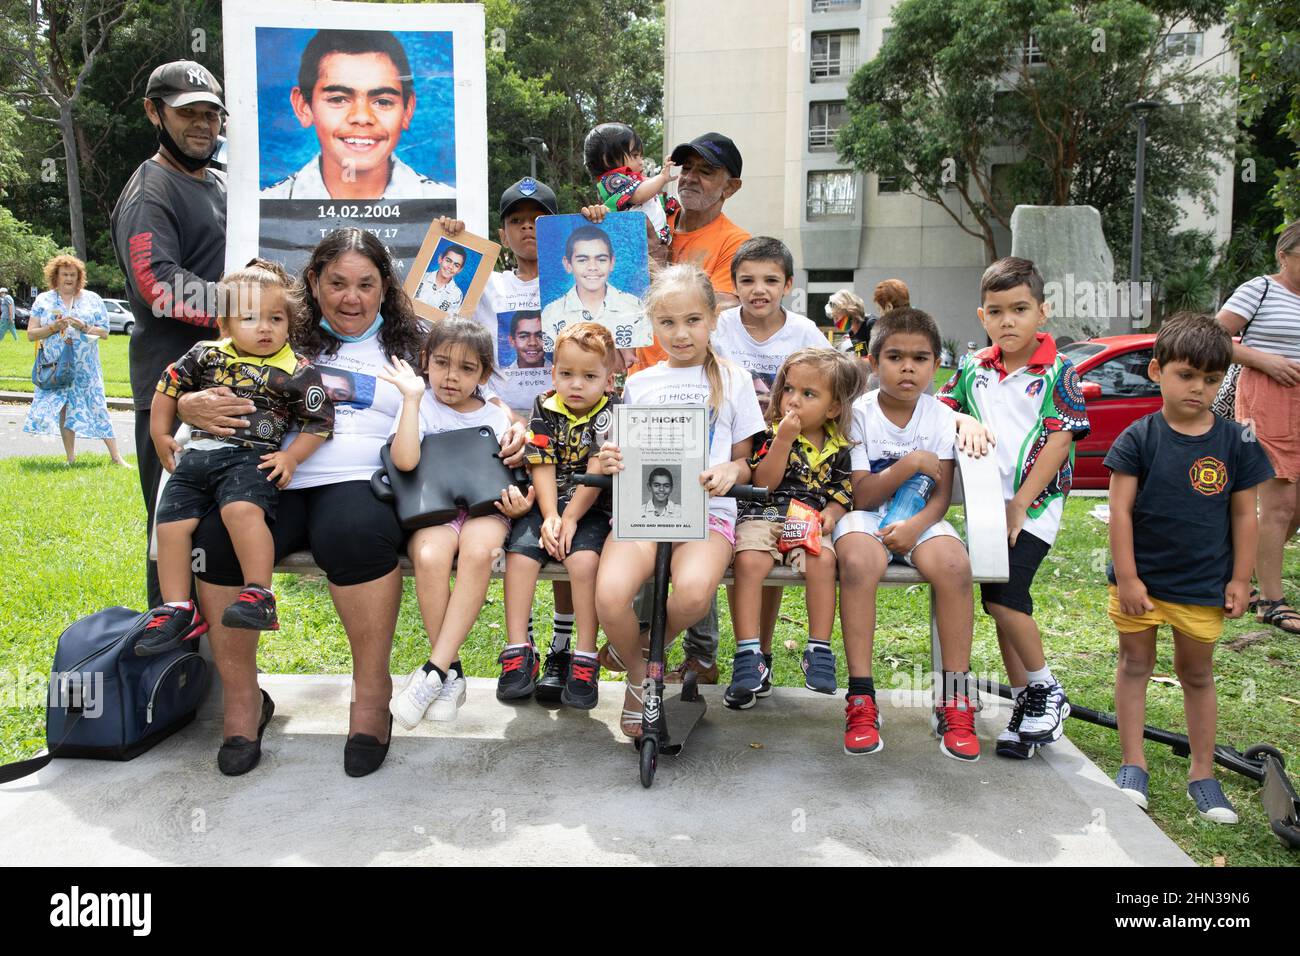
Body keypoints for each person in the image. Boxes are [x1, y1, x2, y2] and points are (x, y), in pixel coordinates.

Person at [181, 228, 525, 777]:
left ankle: (371, 695)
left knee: (354, 534)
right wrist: (190, 404)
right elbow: (202, 370)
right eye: (337, 283)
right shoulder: (277, 330)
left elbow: (475, 383)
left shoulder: (412, 340)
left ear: (385, 286)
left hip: (365, 478)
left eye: (366, 284)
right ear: (312, 282)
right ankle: (243, 702)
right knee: (218, 540)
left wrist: (513, 424)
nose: (351, 297)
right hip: (270, 472)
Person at [1107, 313, 1272, 823]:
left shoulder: (1237, 441)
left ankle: (1203, 773)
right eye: (1187, 375)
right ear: (1157, 371)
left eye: (1211, 379)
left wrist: (1241, 579)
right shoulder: (1139, 436)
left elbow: (1247, 514)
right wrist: (1129, 578)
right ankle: (1133, 765)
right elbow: (1119, 512)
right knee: (1136, 666)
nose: (1198, 388)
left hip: (1202, 586)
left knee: (1197, 675)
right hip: (1143, 585)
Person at [594, 263, 764, 738]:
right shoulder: (641, 383)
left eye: (692, 320)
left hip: (709, 513)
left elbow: (744, 461)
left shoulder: (733, 379)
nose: (681, 333)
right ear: (653, 326)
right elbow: (625, 449)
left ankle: (646, 656)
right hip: (644, 509)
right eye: (667, 323)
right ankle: (640, 676)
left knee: (691, 593)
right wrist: (612, 458)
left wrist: (731, 470)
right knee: (610, 595)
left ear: (712, 318)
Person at [139, 260, 334, 656]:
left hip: (251, 459)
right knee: (172, 524)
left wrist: (292, 458)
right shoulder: (205, 355)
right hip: (196, 457)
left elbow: (320, 423)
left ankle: (258, 593)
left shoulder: (297, 370)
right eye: (249, 318)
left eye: (275, 318)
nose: (264, 327)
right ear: (225, 325)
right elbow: (168, 387)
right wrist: (159, 433)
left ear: (288, 323)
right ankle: (177, 607)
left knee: (241, 513)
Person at [938, 256, 1090, 759]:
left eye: (1020, 309)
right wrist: (961, 423)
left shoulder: (1058, 371)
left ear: (1041, 312)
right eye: (997, 311)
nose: (1009, 321)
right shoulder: (973, 368)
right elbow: (942, 409)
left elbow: (1060, 442)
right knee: (1000, 604)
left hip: (1032, 507)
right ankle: (1027, 705)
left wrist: (1021, 504)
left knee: (1006, 597)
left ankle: (1047, 689)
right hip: (985, 507)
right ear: (982, 317)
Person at [837, 309, 980, 760]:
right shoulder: (857, 414)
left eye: (921, 358)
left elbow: (939, 495)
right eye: (895, 357)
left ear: (936, 365)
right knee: (860, 561)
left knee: (955, 565)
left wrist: (916, 525)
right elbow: (860, 496)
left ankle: (955, 700)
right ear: (873, 362)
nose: (908, 368)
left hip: (920, 516)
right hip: (867, 515)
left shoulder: (940, 416)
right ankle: (861, 697)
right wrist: (909, 464)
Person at [111, 58, 229, 607]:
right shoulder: (150, 188)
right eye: (188, 114)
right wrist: (248, 311)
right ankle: (171, 671)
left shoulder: (226, 187)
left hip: (234, 387)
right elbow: (157, 284)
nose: (203, 124)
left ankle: (217, 678)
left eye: (211, 114)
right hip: (172, 395)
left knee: (220, 536)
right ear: (154, 113)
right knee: (174, 535)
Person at [384, 320, 526, 728]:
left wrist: (518, 502)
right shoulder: (421, 403)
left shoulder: (496, 416)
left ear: (483, 375)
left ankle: (432, 671)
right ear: (425, 361)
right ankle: (451, 672)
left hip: (486, 507)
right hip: (434, 509)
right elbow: (406, 461)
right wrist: (411, 400)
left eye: (466, 368)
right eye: (442, 362)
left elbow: (512, 475)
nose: (451, 376)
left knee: (479, 552)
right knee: (430, 557)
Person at [727, 347, 860, 711]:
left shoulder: (839, 446)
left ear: (833, 408)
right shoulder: (770, 434)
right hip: (764, 514)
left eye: (808, 394)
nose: (793, 401)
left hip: (807, 521)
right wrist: (783, 440)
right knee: (751, 561)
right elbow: (764, 483)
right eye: (788, 390)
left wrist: (831, 513)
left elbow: (841, 492)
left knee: (821, 561)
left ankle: (818, 649)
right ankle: (749, 653)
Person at [498, 322, 618, 708]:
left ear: (609, 380)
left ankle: (583, 657)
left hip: (593, 507)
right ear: (553, 374)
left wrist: (569, 520)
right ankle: (518, 650)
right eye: (566, 374)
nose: (576, 384)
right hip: (546, 502)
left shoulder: (613, 412)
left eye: (588, 376)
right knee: (520, 556)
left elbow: (599, 469)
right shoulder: (544, 405)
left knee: (584, 563)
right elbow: (542, 463)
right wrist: (550, 515)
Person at [1215, 220, 1300, 636]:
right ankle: (1271, 600)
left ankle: (1241, 575)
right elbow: (1214, 337)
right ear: (1284, 256)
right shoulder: (1260, 289)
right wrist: (1263, 360)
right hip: (1266, 399)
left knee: (1293, 508)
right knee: (1279, 502)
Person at [262, 30, 453, 200]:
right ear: (303, 106)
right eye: (338, 99)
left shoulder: (446, 208)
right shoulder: (265, 208)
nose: (362, 117)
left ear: (407, 109)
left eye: (383, 102)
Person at [627, 132, 751, 374]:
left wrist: (658, 267)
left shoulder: (737, 242)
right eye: (686, 168)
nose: (690, 178)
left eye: (705, 172)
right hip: (639, 376)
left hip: (694, 379)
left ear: (731, 187)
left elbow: (719, 310)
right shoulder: (654, 218)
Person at [22, 255, 129, 467]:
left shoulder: (92, 299)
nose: (69, 279)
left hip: (85, 366)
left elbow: (105, 332)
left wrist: (83, 327)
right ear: (56, 276)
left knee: (98, 405)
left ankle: (116, 457)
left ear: (79, 277)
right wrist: (54, 327)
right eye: (65, 275)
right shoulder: (44, 300)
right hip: (55, 366)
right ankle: (70, 458)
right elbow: (31, 334)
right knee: (64, 409)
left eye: (73, 275)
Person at [539, 223, 648, 365]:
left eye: (601, 259)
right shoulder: (551, 313)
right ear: (568, 264)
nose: (592, 267)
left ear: (612, 262)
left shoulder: (635, 307)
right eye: (582, 260)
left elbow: (639, 355)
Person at [584, 121, 680, 251]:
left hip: (656, 246)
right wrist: (662, 177)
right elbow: (639, 195)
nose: (641, 162)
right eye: (635, 156)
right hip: (636, 249)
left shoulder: (636, 180)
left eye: (641, 156)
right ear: (607, 159)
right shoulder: (611, 181)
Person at [413, 243, 467, 314]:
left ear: (460, 270)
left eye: (456, 265)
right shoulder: (421, 277)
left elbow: (448, 321)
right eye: (448, 261)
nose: (450, 267)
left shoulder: (457, 294)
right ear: (440, 259)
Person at [827, 289, 867, 356]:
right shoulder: (853, 332)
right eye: (833, 318)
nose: (835, 322)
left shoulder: (870, 326)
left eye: (836, 317)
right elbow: (862, 357)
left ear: (850, 311)